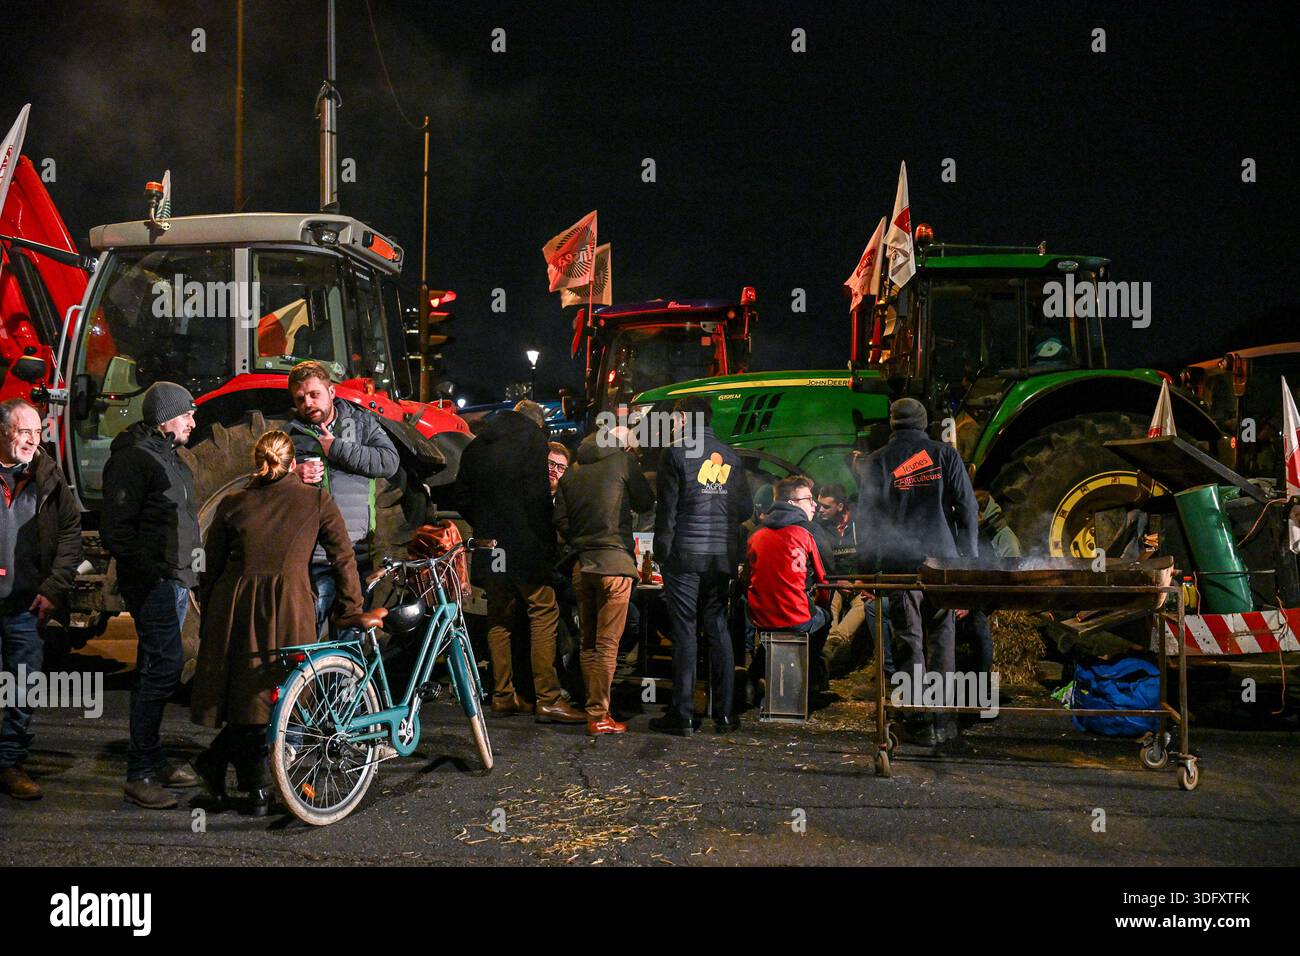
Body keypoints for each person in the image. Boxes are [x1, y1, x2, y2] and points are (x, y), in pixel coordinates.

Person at [190, 430, 371, 815]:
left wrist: (210, 612)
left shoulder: (232, 503)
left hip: (234, 601)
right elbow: (343, 558)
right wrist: (351, 607)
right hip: (287, 603)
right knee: (274, 691)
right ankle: (254, 787)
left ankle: (223, 766)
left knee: (250, 690)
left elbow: (210, 565)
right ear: (293, 463)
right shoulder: (316, 500)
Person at [102, 382, 203, 808]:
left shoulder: (170, 457)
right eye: (186, 415)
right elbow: (117, 532)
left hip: (176, 579)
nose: (193, 422)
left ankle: (151, 758)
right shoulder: (133, 460)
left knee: (152, 667)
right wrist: (158, 573)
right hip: (157, 582)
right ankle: (139, 772)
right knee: (165, 666)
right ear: (166, 418)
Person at [856, 397, 977, 751]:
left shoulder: (876, 461)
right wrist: (967, 561)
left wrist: (865, 570)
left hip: (900, 565)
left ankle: (919, 722)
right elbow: (967, 508)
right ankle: (944, 721)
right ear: (924, 422)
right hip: (942, 564)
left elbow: (868, 520)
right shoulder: (945, 455)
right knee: (943, 641)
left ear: (892, 424)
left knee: (909, 642)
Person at [454, 400, 586, 724]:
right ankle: (549, 698)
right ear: (538, 424)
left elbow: (461, 498)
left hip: (491, 546)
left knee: (499, 614)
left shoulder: (476, 447)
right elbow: (539, 499)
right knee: (544, 609)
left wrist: (486, 525)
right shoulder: (534, 443)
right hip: (524, 545)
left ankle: (503, 695)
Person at [650, 396, 753, 736]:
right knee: (718, 627)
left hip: (684, 556)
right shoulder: (731, 456)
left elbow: (667, 512)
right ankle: (724, 713)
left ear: (683, 417)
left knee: (684, 630)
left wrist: (660, 552)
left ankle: (682, 714)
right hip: (720, 557)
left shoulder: (675, 453)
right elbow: (744, 510)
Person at [0, 399, 82, 801]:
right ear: (2, 432)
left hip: (23, 607)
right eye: (23, 432)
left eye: (36, 432)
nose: (33, 440)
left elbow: (70, 534)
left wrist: (52, 588)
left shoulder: (49, 477)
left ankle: (10, 763)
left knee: (22, 688)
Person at [282, 361, 399, 635]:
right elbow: (265, 481)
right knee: (308, 635)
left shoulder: (361, 423)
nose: (308, 403)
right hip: (314, 555)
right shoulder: (290, 434)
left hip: (355, 551)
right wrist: (293, 473)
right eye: (301, 399)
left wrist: (336, 448)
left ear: (331, 392)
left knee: (350, 638)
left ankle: (349, 679)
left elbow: (389, 462)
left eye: (314, 395)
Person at [554, 425, 655, 734]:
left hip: (582, 565)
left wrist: (582, 542)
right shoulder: (623, 463)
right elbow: (645, 501)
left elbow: (559, 519)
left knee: (588, 641)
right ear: (626, 448)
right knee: (608, 644)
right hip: (615, 565)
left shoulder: (572, 471)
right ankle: (599, 715)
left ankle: (592, 707)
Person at [746, 476, 830, 693]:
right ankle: (809, 678)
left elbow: (746, 577)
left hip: (760, 617)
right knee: (823, 617)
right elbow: (826, 578)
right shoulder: (808, 531)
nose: (814, 504)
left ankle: (753, 678)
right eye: (808, 499)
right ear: (792, 503)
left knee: (775, 631)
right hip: (795, 615)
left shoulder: (756, 534)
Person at [817, 482, 892, 679]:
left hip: (861, 582)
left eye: (826, 506)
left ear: (840, 507)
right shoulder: (822, 528)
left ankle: (832, 647)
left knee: (864, 605)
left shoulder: (861, 524)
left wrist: (861, 579)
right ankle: (830, 650)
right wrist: (837, 581)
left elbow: (873, 555)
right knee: (828, 604)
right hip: (835, 582)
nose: (820, 510)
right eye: (819, 505)